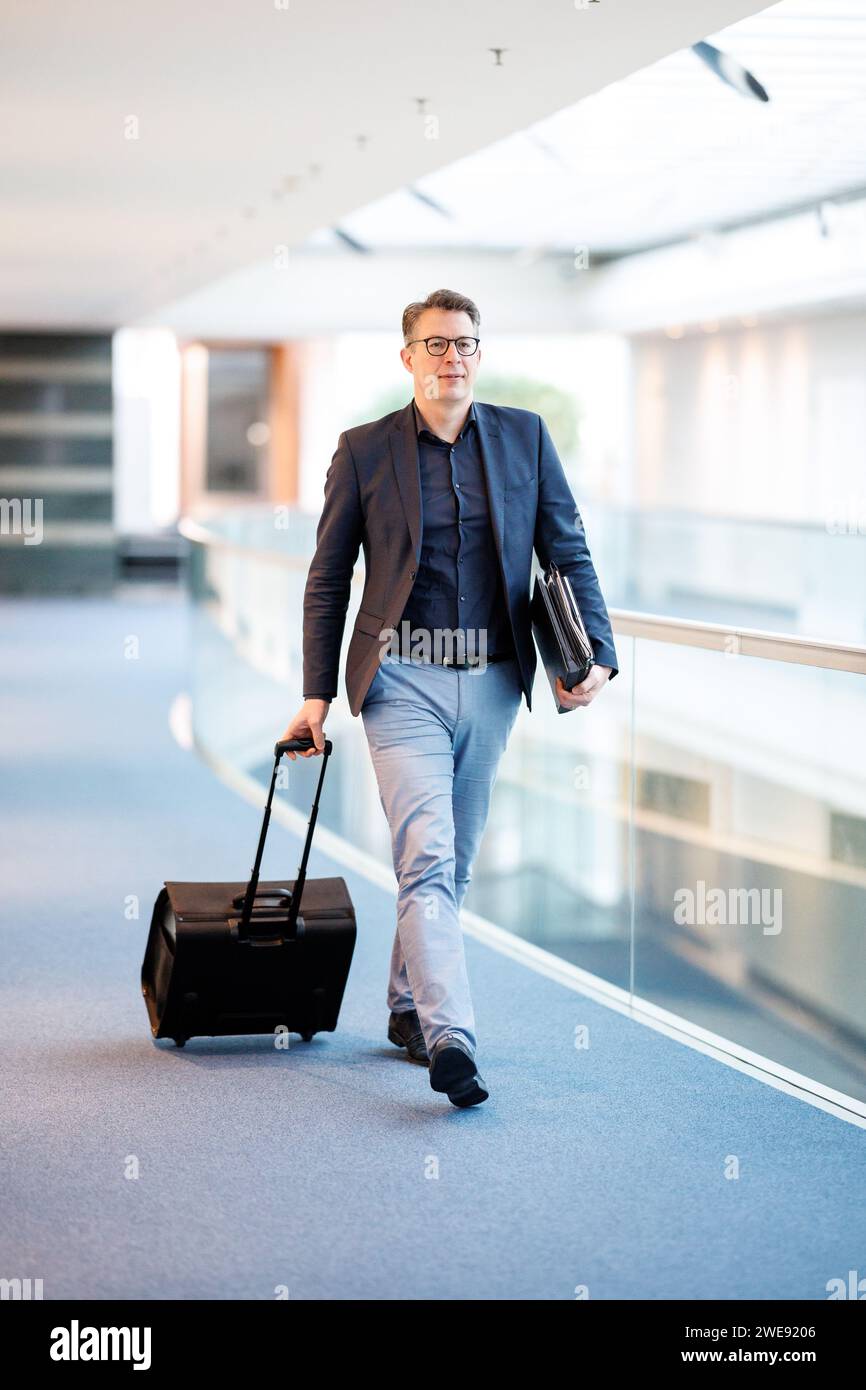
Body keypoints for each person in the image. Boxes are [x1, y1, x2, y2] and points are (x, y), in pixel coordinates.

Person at [280, 288, 618, 1107]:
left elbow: (565, 549)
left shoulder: (523, 439)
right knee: (426, 856)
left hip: (495, 679)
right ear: (408, 358)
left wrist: (596, 655)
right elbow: (329, 577)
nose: (451, 357)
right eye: (435, 345)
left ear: (478, 353)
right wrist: (316, 697)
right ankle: (452, 1038)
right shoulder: (364, 451)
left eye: (465, 343)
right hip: (400, 682)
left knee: (451, 866)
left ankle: (406, 1007)